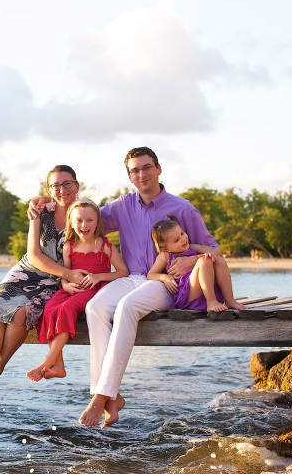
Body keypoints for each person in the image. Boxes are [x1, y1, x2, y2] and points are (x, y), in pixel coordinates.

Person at [30, 147, 219, 427]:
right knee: (95, 307)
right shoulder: (122, 206)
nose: (141, 174)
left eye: (146, 167)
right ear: (129, 175)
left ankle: (100, 395)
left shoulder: (182, 209)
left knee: (127, 308)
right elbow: (82, 218)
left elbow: (214, 251)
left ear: (158, 169)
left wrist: (191, 260)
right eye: (135, 170)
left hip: (165, 281)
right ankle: (111, 397)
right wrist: (47, 202)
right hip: (129, 278)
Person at [0, 165, 90, 410]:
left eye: (67, 184)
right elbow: (33, 254)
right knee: (0, 308)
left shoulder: (84, 215)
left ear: (77, 185)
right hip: (27, 271)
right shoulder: (41, 211)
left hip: (56, 282)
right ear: (48, 188)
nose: (61, 190)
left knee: (22, 312)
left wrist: (68, 276)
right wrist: (67, 272)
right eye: (55, 185)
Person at [27, 199, 128, 382]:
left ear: (97, 221)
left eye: (89, 220)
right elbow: (66, 273)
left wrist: (99, 277)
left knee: (67, 309)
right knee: (49, 309)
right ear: (71, 224)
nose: (84, 225)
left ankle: (46, 362)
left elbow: (123, 272)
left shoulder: (104, 245)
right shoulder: (69, 246)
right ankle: (59, 365)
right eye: (79, 221)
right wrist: (65, 285)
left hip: (96, 289)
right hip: (72, 289)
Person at [147, 218, 245, 313]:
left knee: (220, 261)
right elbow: (151, 274)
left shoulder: (192, 247)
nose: (183, 239)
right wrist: (165, 277)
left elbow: (216, 252)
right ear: (166, 248)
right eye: (176, 240)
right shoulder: (165, 256)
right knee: (204, 261)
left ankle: (230, 300)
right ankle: (211, 302)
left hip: (204, 291)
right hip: (187, 296)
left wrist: (207, 256)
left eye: (182, 233)